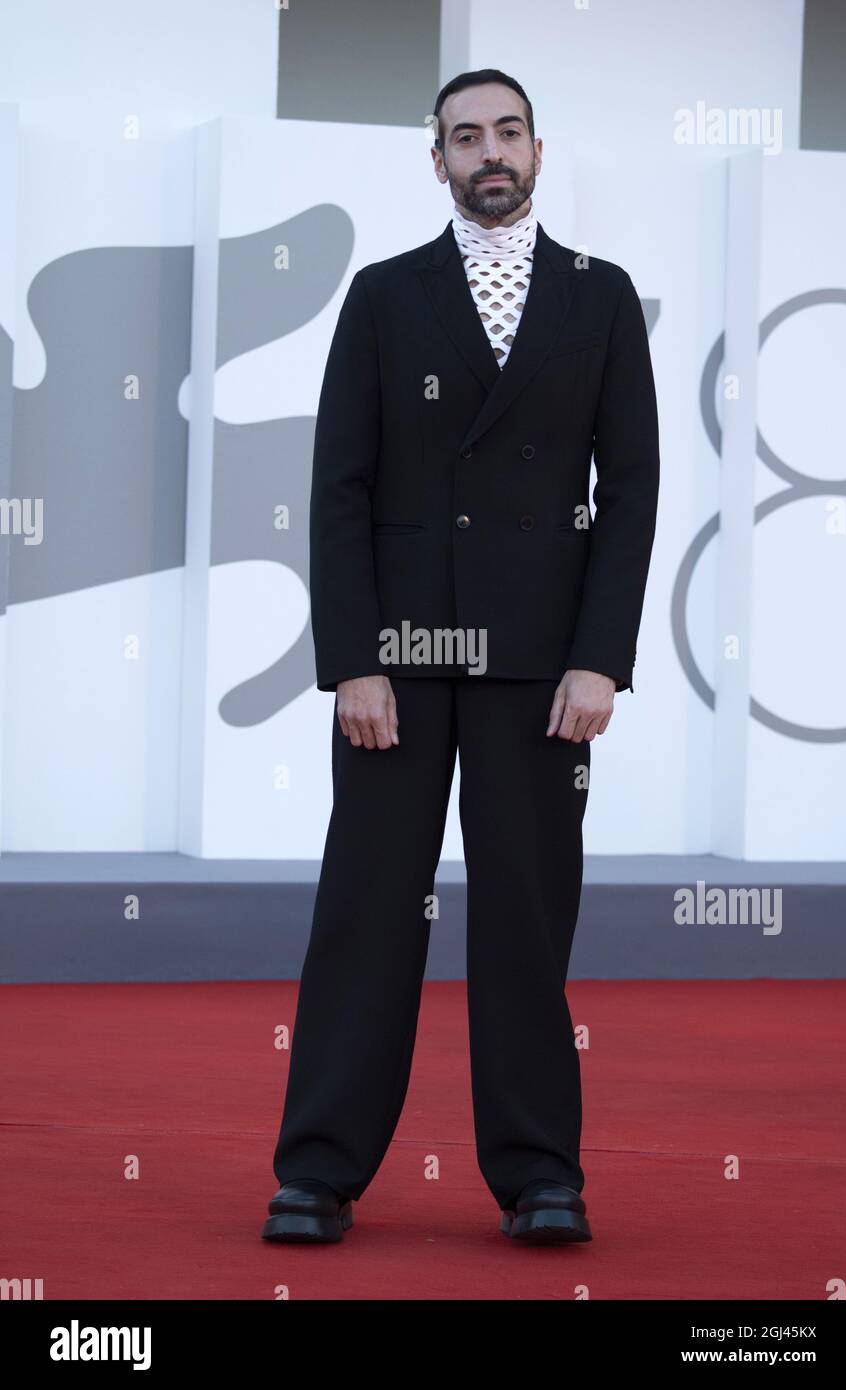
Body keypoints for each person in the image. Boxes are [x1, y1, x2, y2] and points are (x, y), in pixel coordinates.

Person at [262, 67, 659, 1244]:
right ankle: (318, 1170)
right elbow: (337, 489)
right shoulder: (385, 297)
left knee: (527, 920)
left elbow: (628, 494)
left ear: (537, 150)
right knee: (367, 910)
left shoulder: (600, 298)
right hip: (403, 652)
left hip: (541, 665)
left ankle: (541, 1174)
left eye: (507, 132)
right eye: (463, 136)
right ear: (432, 160)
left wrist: (600, 658)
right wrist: (352, 661)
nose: (488, 151)